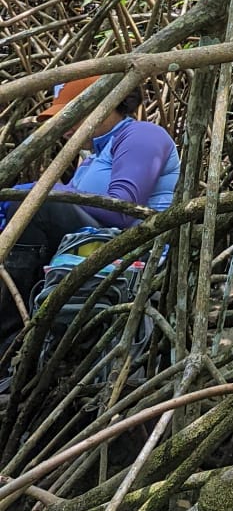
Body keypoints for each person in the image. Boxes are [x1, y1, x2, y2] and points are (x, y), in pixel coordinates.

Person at [0, 80, 180, 327]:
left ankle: (9, 331)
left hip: (133, 250)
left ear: (103, 106)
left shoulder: (143, 135)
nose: (63, 129)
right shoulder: (92, 157)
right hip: (87, 246)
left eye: (70, 117)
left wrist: (48, 192)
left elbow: (124, 210)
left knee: (36, 206)